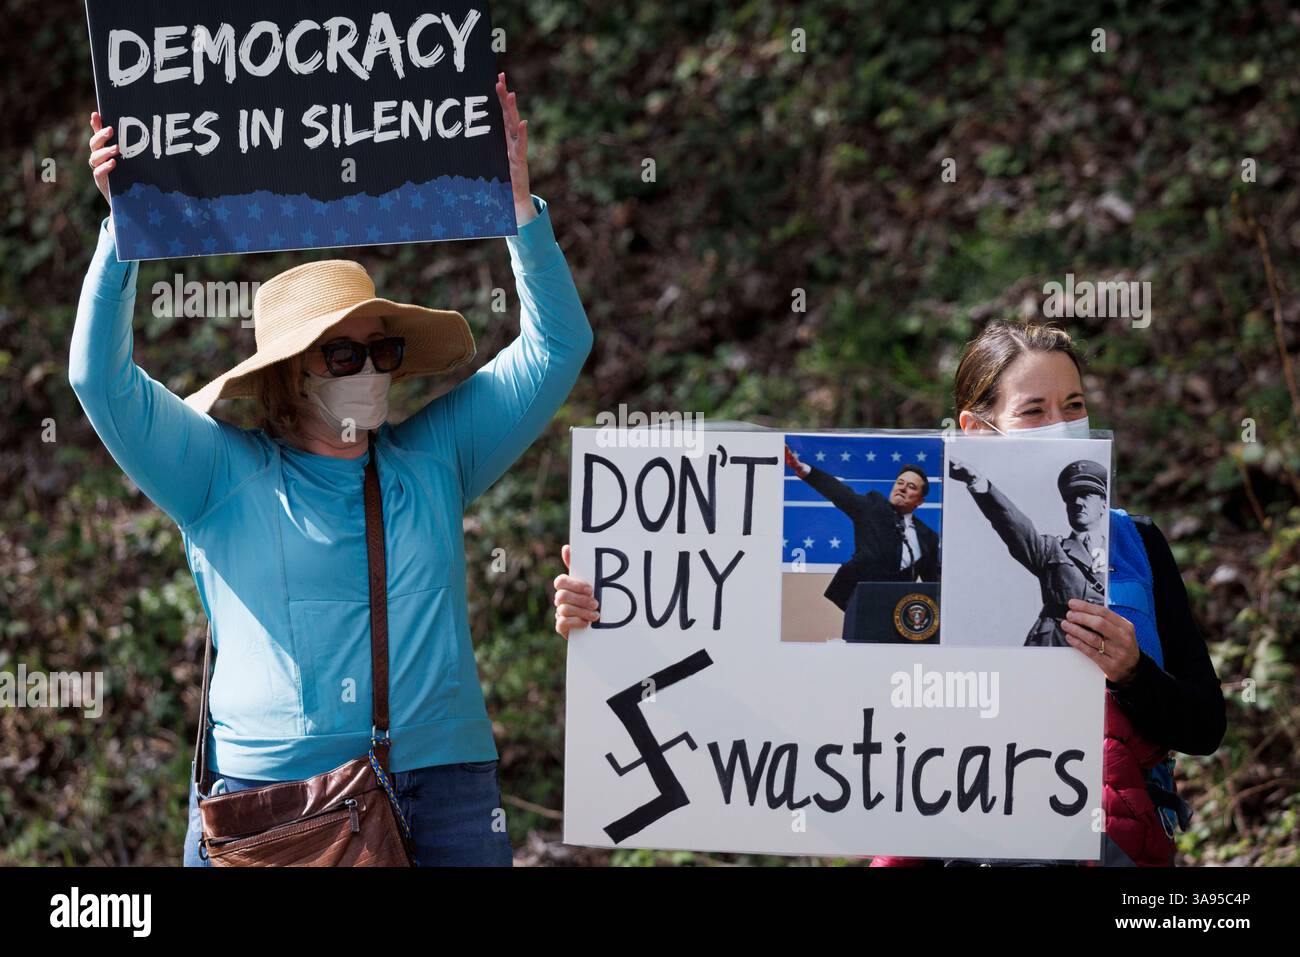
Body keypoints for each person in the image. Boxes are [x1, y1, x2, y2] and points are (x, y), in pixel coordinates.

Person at [72, 73, 593, 866]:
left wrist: (516, 206)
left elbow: (558, 346)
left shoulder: (434, 457)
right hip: (278, 801)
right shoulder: (217, 475)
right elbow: (98, 380)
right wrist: (124, 230)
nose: (369, 369)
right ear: (289, 376)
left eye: (382, 350)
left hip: (447, 792)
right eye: (343, 355)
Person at [551, 321, 1225, 867]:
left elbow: (1204, 725)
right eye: (1035, 410)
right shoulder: (923, 562)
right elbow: (757, 662)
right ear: (976, 430)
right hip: (961, 842)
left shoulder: (1139, 544)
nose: (1062, 424)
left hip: (1111, 845)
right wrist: (614, 613)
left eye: (1074, 406)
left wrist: (1135, 673)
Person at [947, 456, 1108, 645]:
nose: (1078, 502)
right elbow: (1013, 524)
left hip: (1103, 648)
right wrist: (978, 483)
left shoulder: (1118, 552)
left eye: (1086, 495)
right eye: (1071, 498)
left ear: (1104, 505)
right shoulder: (1051, 549)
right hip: (1056, 644)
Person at [785, 446, 939, 610]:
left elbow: (934, 583)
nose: (902, 488)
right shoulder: (873, 506)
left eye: (911, 487)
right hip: (861, 601)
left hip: (900, 610)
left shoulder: (928, 537)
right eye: (899, 483)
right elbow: (841, 493)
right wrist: (802, 469)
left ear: (920, 501)